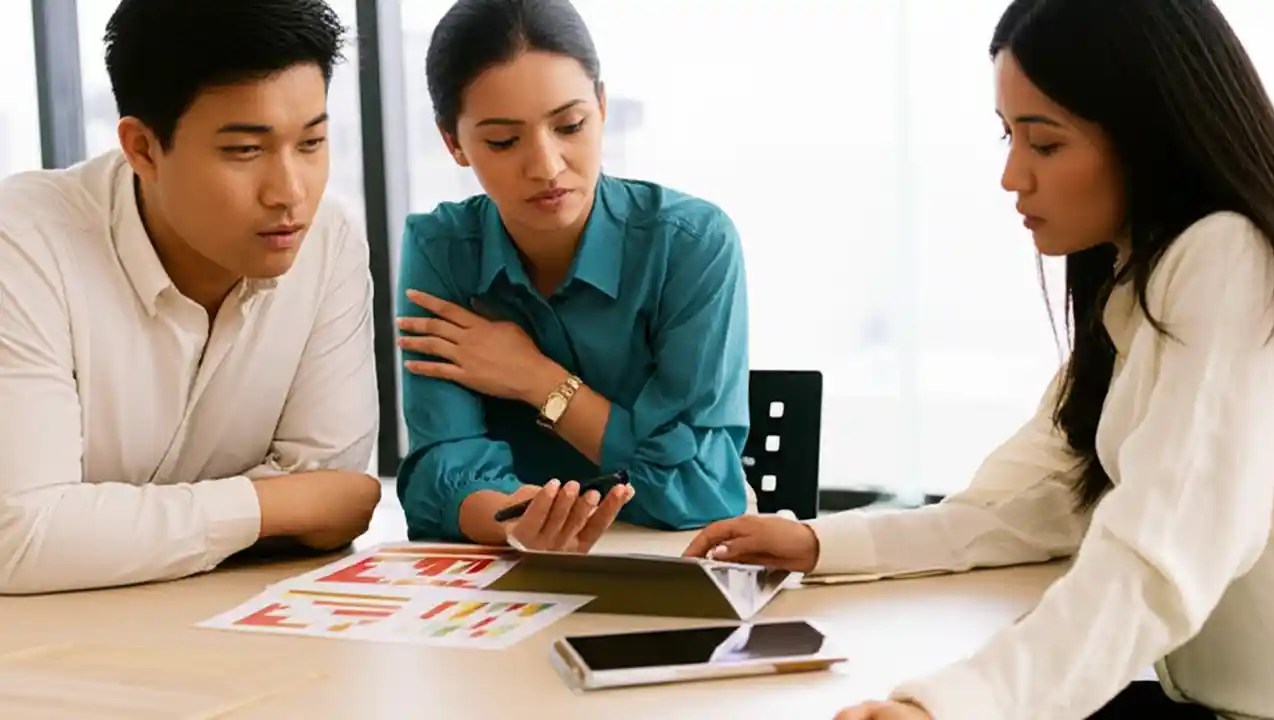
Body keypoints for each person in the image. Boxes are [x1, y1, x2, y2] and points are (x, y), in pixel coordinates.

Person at [685, 0, 1274, 718]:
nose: (1011, 176)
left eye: (1045, 144)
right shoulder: (1133, 291)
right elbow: (1032, 512)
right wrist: (817, 543)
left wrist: (960, 705)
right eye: (1008, 137)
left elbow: (1161, 551)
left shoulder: (1226, 258)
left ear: (1148, 134)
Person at [0, 0, 381, 595]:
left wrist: (97, 525)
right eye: (245, 151)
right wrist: (267, 506)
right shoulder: (22, 244)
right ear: (143, 149)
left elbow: (332, 496)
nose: (290, 192)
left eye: (311, 143)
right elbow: (19, 537)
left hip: (220, 636)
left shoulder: (327, 243)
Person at [395, 0, 751, 551]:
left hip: (670, 560)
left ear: (602, 107)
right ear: (453, 142)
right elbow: (438, 472)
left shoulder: (691, 244)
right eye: (503, 141)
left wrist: (534, 377)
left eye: (570, 125)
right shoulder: (441, 250)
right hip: (507, 566)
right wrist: (515, 523)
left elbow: (696, 489)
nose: (547, 165)